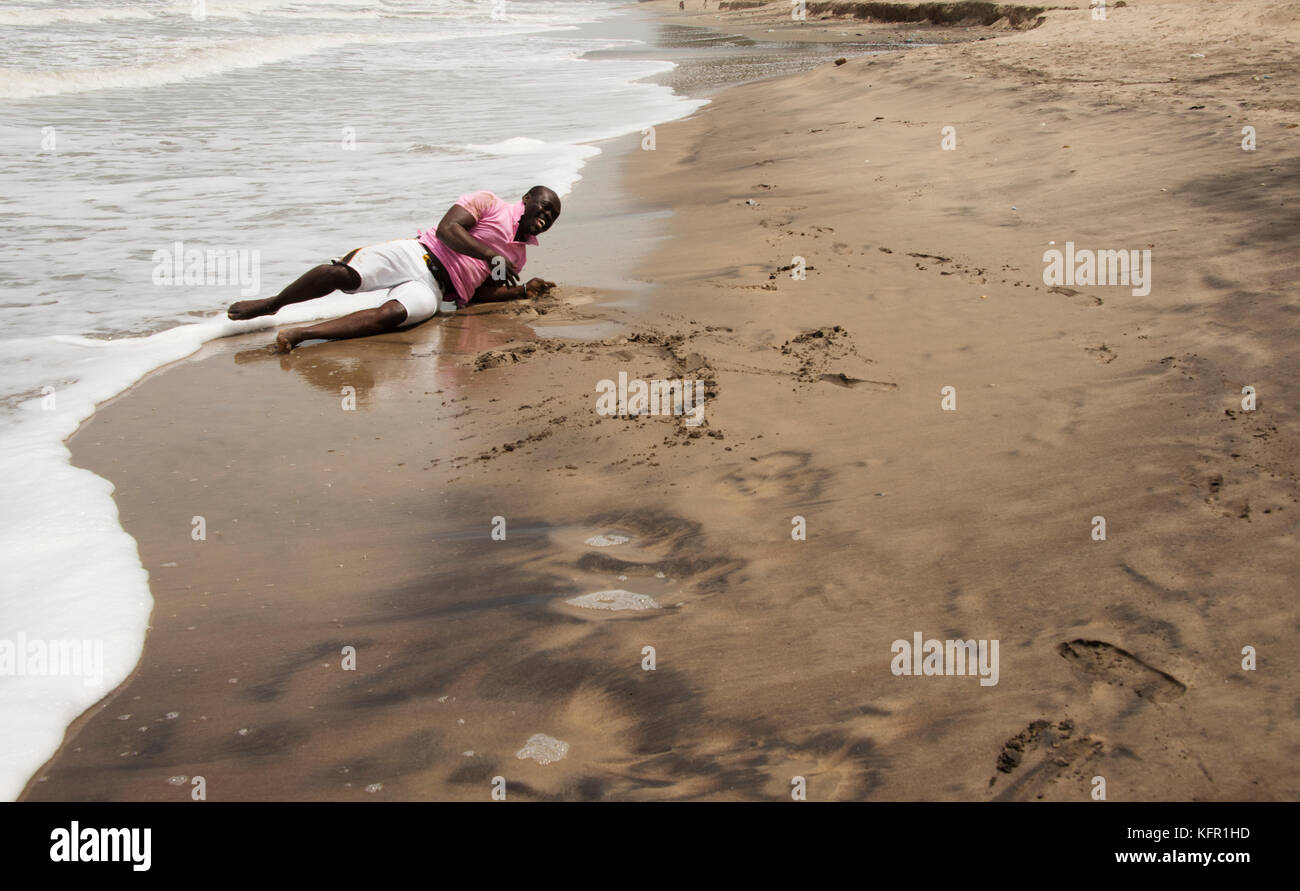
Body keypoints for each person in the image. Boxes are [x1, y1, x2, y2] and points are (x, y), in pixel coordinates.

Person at [226, 186, 561, 352]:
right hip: (417, 253)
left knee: (391, 316)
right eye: (545, 206)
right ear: (527, 199)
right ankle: (272, 305)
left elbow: (477, 293)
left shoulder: (519, 258)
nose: (547, 216)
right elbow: (448, 230)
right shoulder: (489, 203)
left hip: (433, 290)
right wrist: (490, 254)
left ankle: (301, 335)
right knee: (342, 275)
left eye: (553, 216)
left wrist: (520, 290)